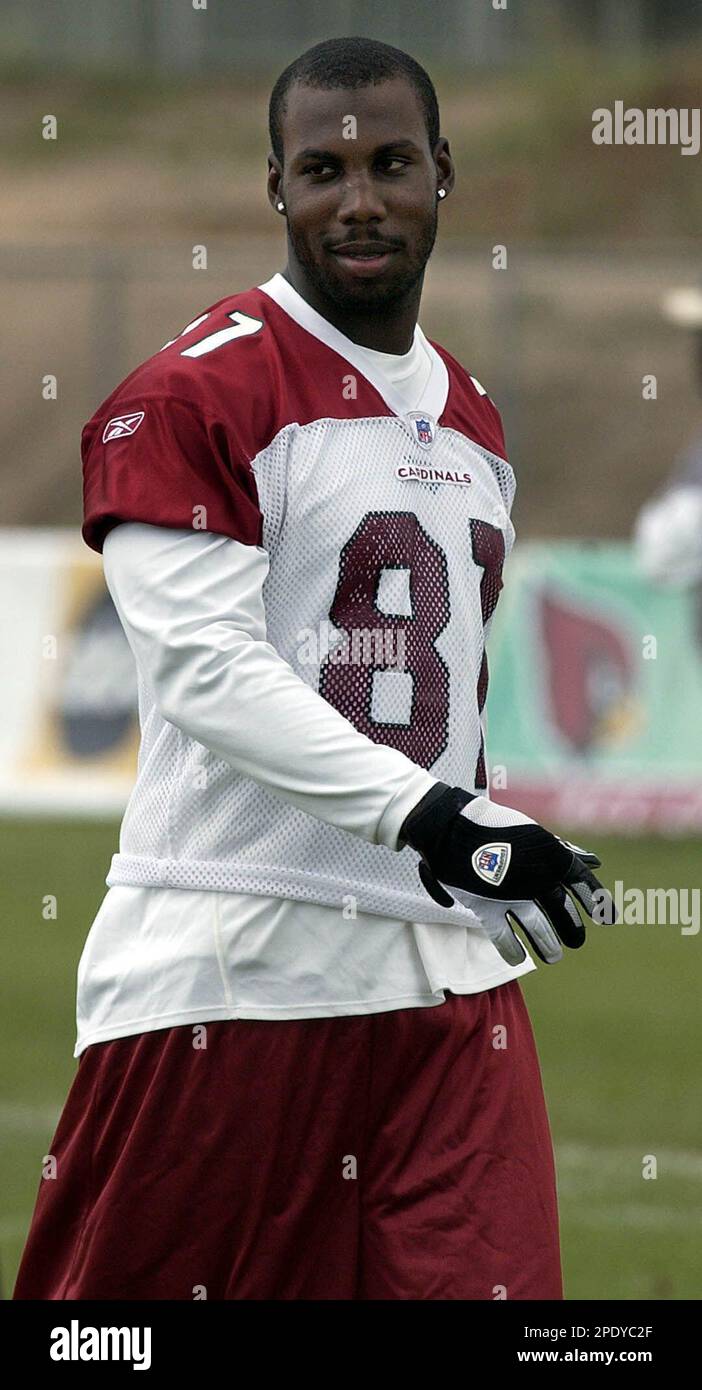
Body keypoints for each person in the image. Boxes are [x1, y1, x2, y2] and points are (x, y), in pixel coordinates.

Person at [14, 36, 612, 1302]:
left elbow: (430, 699)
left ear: (442, 174)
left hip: (448, 982)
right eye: (321, 168)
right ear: (274, 189)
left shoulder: (474, 415)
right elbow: (206, 673)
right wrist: (440, 820)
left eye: (391, 164)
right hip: (237, 965)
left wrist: (488, 839)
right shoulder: (192, 395)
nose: (359, 198)